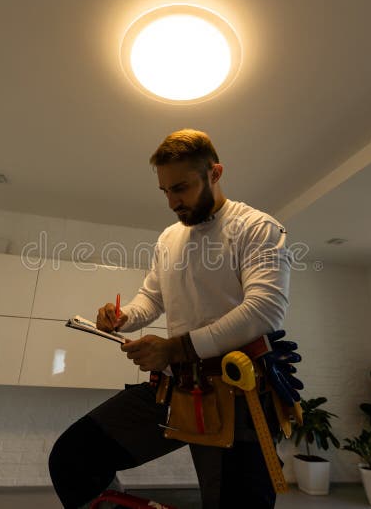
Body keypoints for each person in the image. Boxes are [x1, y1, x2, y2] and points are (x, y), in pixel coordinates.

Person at [49, 129, 292, 508]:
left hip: (238, 393)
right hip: (174, 385)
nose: (172, 202)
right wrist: (123, 316)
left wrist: (175, 348)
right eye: (164, 191)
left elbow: (266, 309)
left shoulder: (256, 227)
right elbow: (151, 298)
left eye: (181, 188)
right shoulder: (168, 238)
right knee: (74, 458)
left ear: (215, 173)